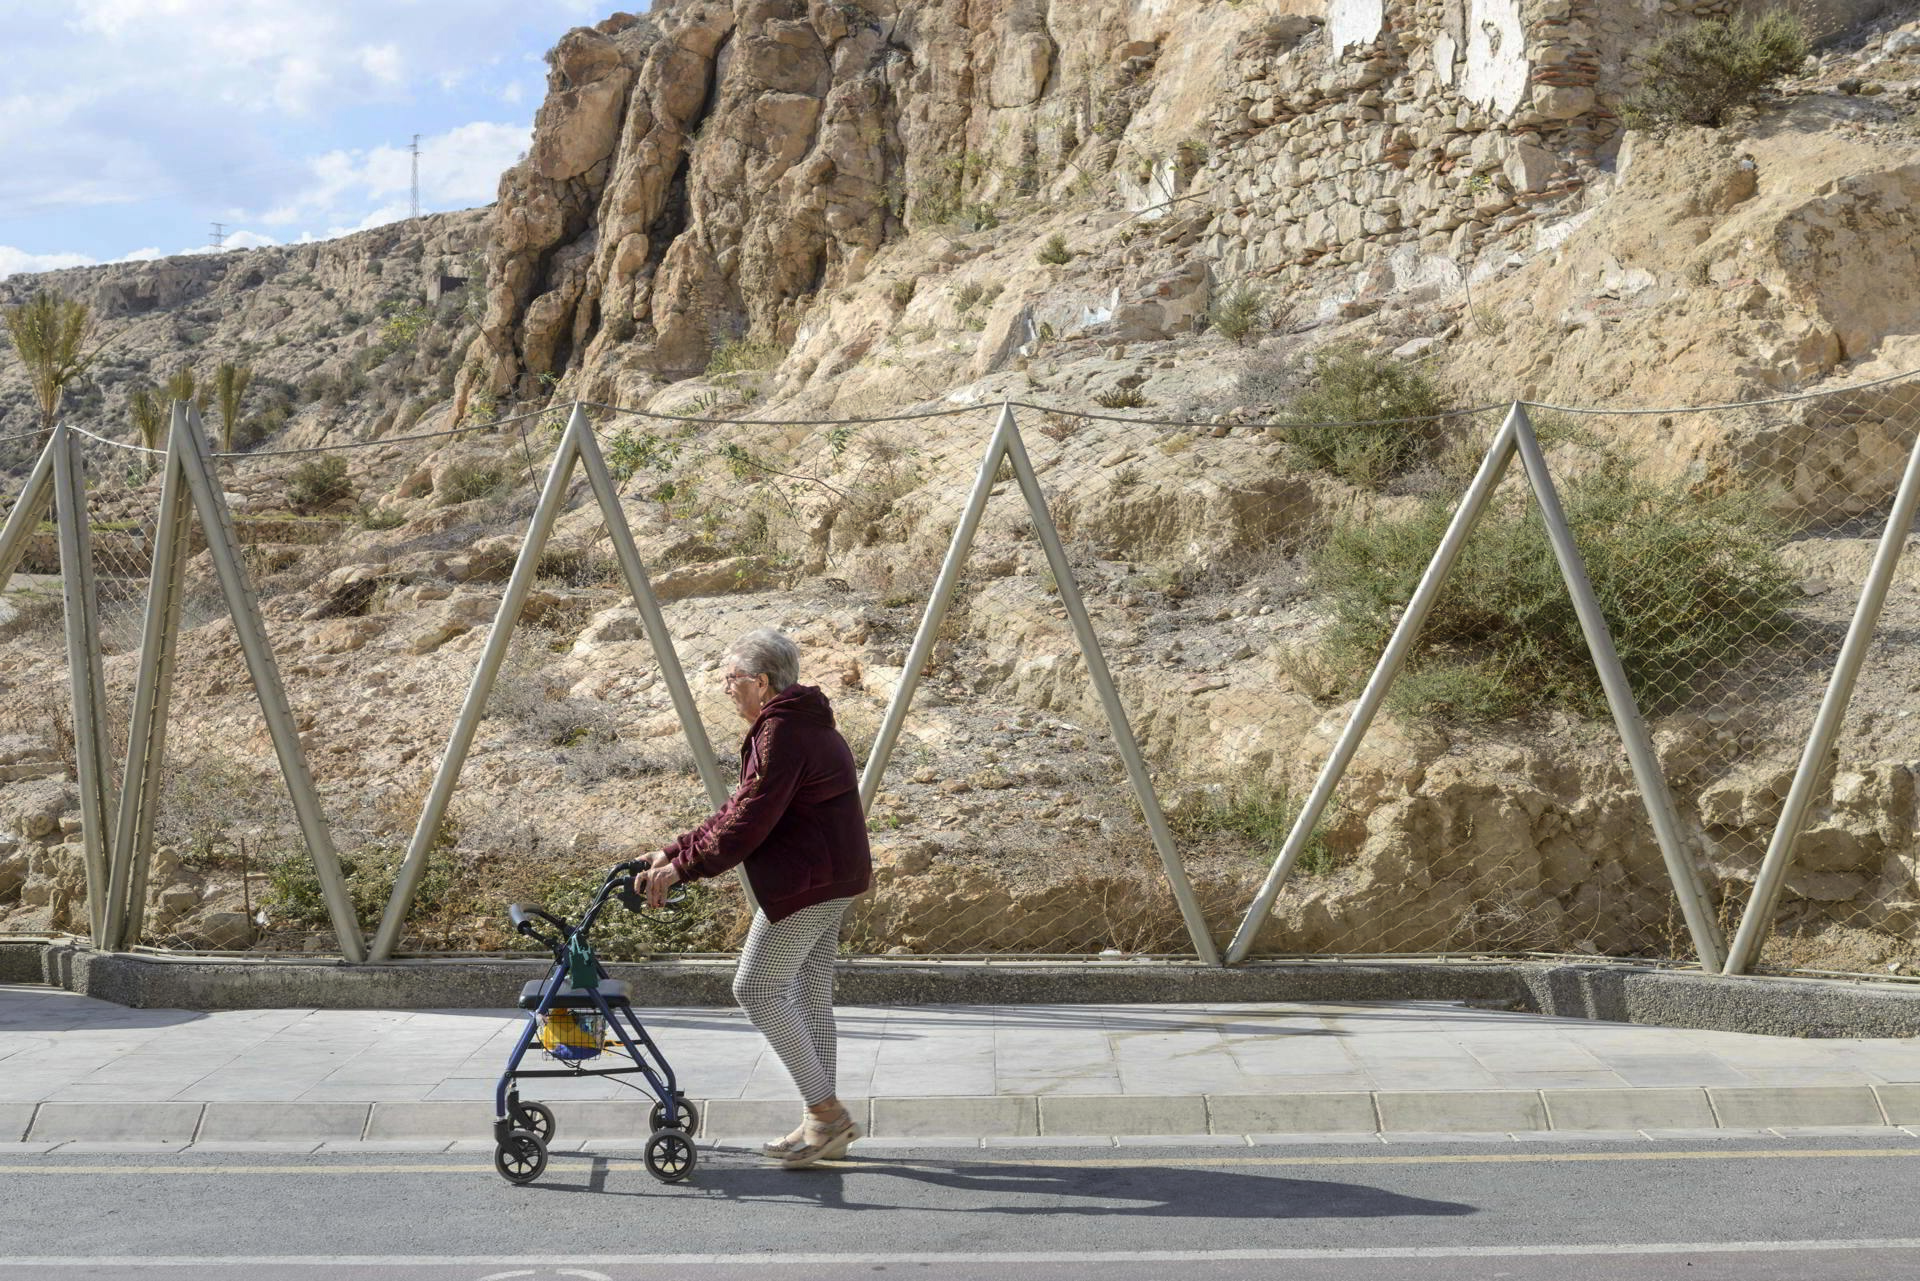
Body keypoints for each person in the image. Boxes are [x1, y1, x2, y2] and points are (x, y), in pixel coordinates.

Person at [634, 627, 873, 1168]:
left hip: (808, 882)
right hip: (831, 875)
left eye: (731, 679)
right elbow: (741, 804)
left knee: (757, 987)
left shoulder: (784, 732)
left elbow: (748, 822)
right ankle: (823, 1122)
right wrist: (674, 850)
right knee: (809, 993)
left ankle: (827, 1113)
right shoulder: (793, 724)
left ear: (761, 683)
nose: (726, 689)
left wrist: (681, 872)